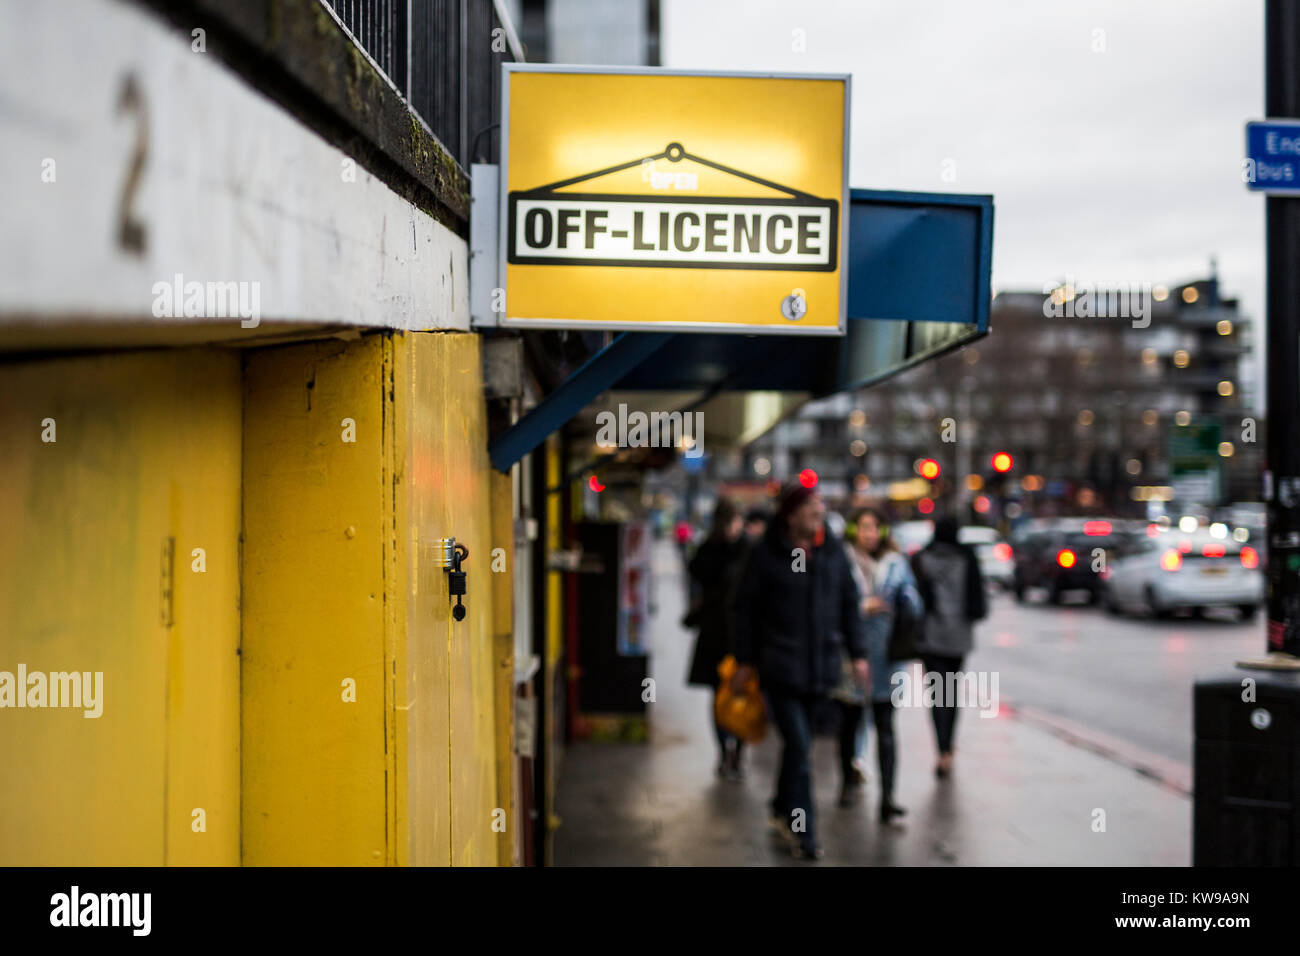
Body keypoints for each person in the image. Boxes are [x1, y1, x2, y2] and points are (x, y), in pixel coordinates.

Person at [732, 483, 868, 860]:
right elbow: (746, 610)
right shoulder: (767, 554)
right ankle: (803, 831)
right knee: (800, 747)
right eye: (810, 508)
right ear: (790, 515)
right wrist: (745, 660)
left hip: (820, 667)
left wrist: (858, 654)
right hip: (780, 667)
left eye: (820, 507)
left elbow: (849, 603)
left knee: (797, 747)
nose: (818, 513)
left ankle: (779, 805)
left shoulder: (832, 551)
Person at [841, 507, 923, 824]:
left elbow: (915, 601)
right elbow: (836, 604)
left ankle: (887, 797)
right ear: (854, 531)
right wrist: (864, 606)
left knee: (886, 727)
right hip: (853, 657)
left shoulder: (897, 563)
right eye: (863, 527)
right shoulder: (844, 562)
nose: (869, 534)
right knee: (849, 722)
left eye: (875, 528)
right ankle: (848, 779)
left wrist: (907, 601)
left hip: (888, 657)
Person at [910, 514, 987, 778]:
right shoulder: (967, 558)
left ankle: (941, 748)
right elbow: (978, 598)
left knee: (937, 695)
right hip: (958, 636)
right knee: (951, 694)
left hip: (930, 637)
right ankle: (948, 748)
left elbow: (914, 600)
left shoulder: (922, 559)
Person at [685, 497, 749, 780]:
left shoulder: (748, 549)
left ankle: (737, 753)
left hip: (740, 634)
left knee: (743, 693)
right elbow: (696, 572)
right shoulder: (709, 550)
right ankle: (725, 751)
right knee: (719, 694)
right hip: (717, 633)